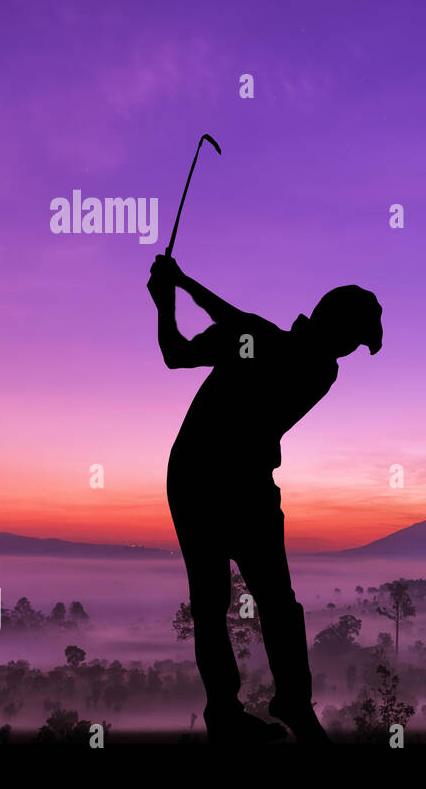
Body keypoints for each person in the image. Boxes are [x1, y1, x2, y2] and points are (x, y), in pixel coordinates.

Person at [146, 253, 382, 744]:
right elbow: (182, 350)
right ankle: (231, 713)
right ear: (327, 322)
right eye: (352, 338)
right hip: (200, 478)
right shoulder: (271, 344)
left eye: (355, 344)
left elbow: (239, 333)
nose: (349, 351)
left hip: (242, 482)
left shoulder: (317, 368)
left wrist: (177, 289)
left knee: (274, 602)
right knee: (215, 603)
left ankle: (288, 703)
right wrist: (174, 295)